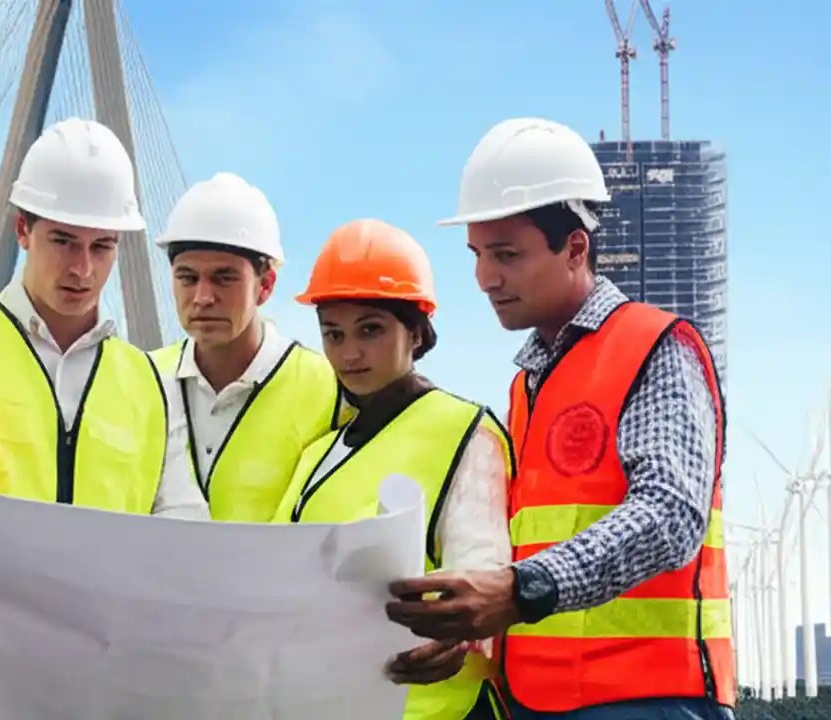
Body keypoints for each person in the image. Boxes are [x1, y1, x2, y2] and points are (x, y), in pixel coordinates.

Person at [387, 117, 733, 719]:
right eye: (476, 255)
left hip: (648, 703)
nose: (484, 278)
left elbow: (671, 514)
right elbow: (522, 542)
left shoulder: (656, 347)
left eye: (506, 255)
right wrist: (467, 631)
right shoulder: (526, 387)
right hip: (532, 701)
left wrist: (521, 590)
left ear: (576, 247)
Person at [0, 117, 207, 519]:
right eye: (63, 241)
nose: (82, 269)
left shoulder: (155, 388)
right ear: (22, 229)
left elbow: (184, 533)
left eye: (102, 247)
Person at [271, 218, 514, 719]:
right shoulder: (318, 454)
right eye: (333, 334)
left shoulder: (465, 431)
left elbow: (484, 569)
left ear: (416, 332)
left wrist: (460, 639)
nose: (349, 353)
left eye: (371, 330)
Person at [148, 172, 344, 522]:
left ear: (266, 285)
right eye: (188, 278)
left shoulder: (329, 389)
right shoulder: (143, 379)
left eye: (224, 278)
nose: (203, 297)